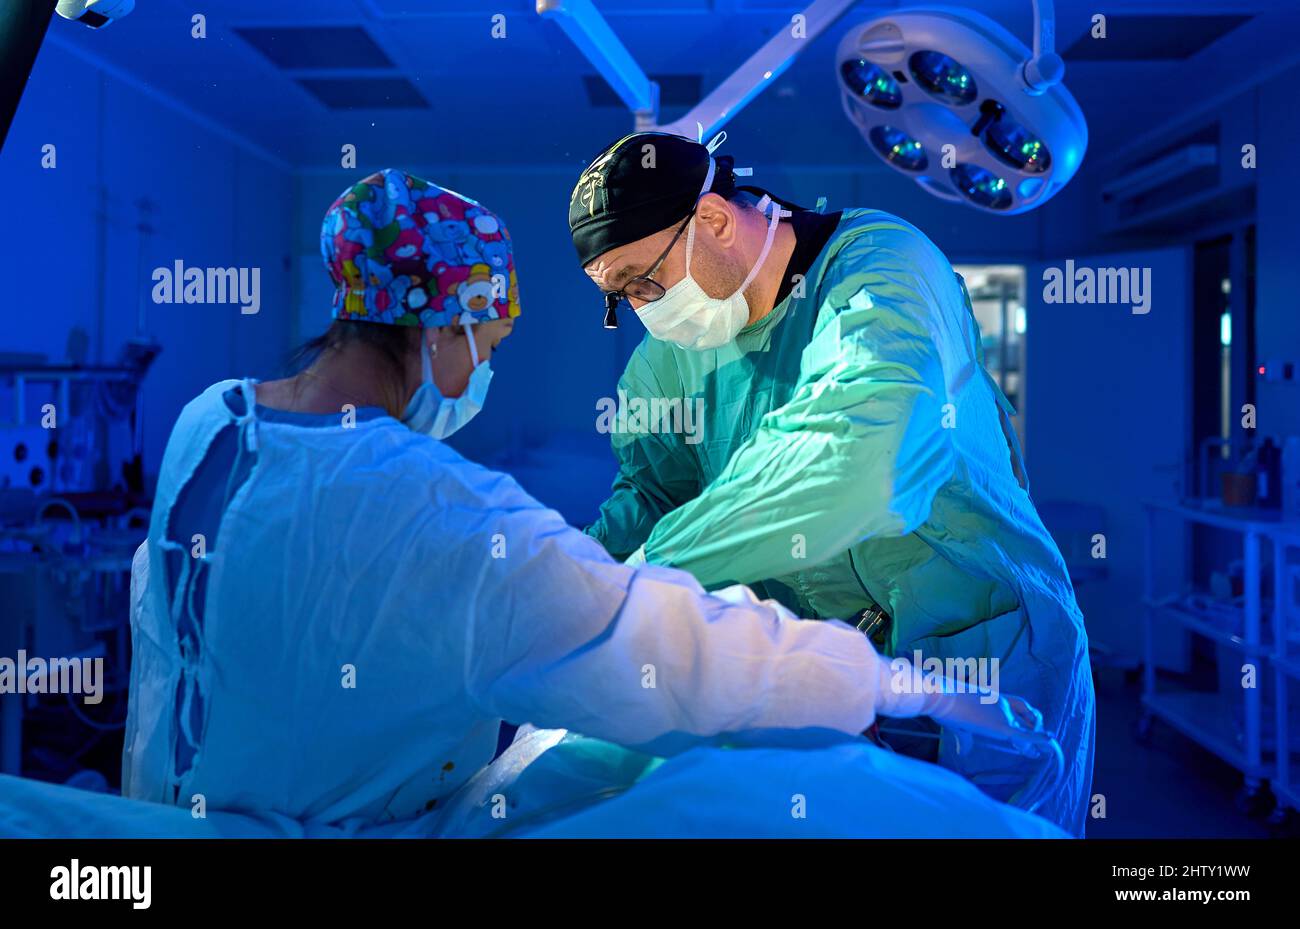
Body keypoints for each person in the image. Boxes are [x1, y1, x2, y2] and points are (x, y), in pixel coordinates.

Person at [119, 168, 1054, 836]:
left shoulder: (213, 423)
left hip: (990, 639)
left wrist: (603, 573)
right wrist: (877, 680)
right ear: (445, 321)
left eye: (646, 282)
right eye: (490, 337)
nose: (485, 365)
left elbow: (864, 456)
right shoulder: (436, 512)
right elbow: (652, 634)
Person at [569, 132, 1095, 835]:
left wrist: (647, 573)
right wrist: (566, 582)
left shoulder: (881, 268)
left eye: (643, 281)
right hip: (826, 689)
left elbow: (863, 461)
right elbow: (652, 497)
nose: (641, 308)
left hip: (985, 655)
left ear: (715, 221)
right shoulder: (671, 361)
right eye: (618, 297)